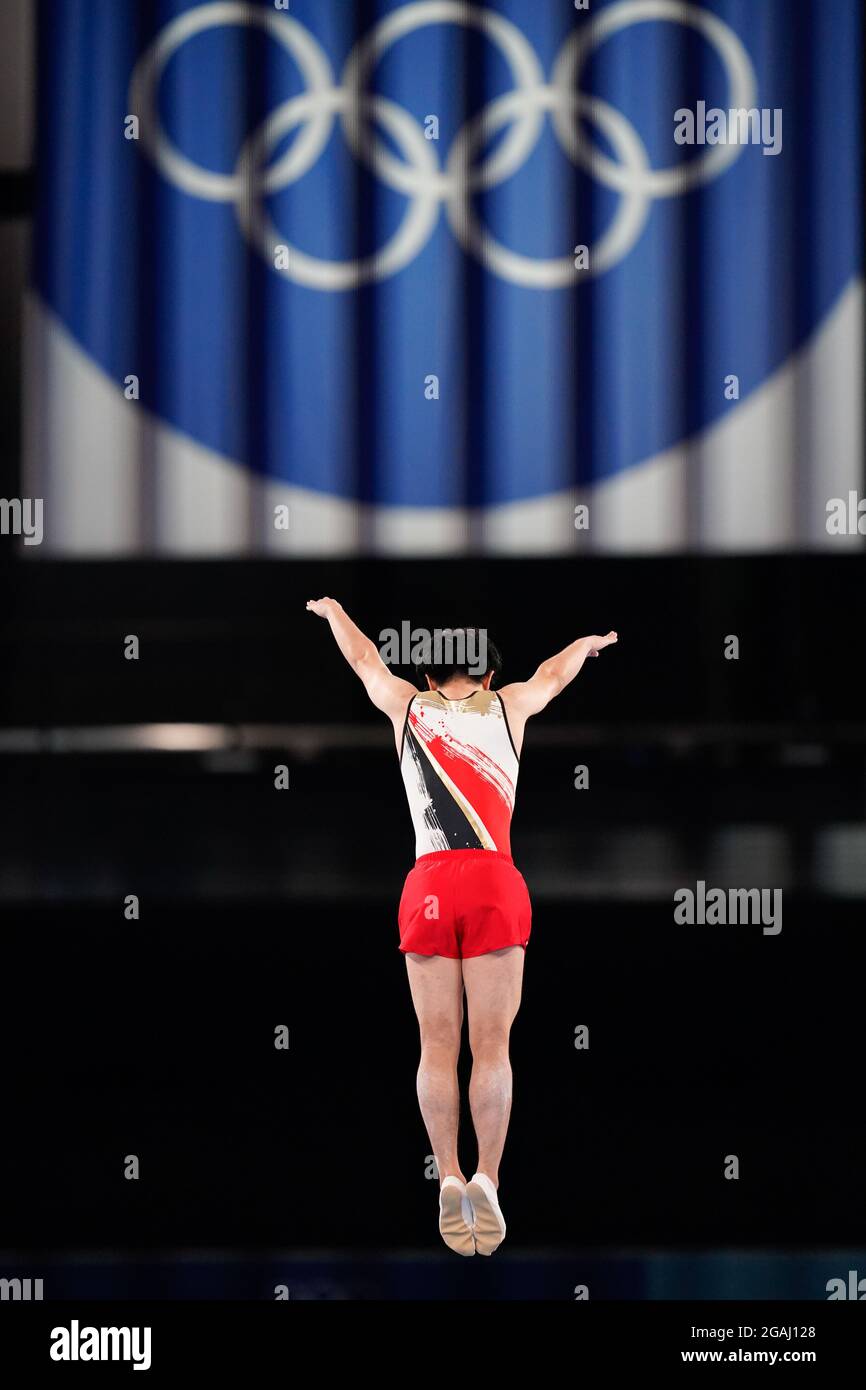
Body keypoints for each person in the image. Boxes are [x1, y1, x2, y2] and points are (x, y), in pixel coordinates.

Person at [306, 598, 617, 1255]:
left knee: (436, 1045)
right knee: (493, 1045)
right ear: (486, 678)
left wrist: (334, 611)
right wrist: (586, 642)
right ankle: (488, 1177)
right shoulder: (509, 706)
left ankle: (446, 1173)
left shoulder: (408, 707)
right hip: (494, 880)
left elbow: (364, 658)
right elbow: (553, 674)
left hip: (427, 885)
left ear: (426, 678)